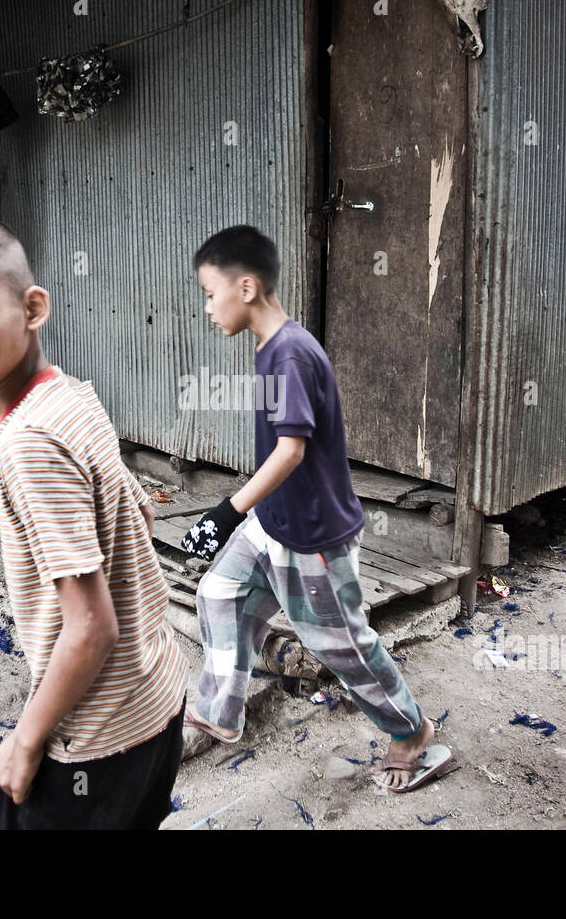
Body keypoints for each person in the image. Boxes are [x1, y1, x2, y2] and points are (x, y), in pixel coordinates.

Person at [0, 217, 188, 829]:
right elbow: (136, 508)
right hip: (158, 696)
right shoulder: (69, 393)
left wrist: (25, 743)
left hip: (98, 734)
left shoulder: (28, 441)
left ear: (33, 308)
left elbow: (91, 629)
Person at [179, 225, 452, 793]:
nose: (206, 308)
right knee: (219, 594)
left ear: (247, 287)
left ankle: (411, 731)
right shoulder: (270, 348)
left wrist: (226, 511)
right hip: (273, 522)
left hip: (312, 536)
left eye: (210, 293)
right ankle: (217, 714)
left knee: (341, 645)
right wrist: (243, 515)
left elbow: (291, 450)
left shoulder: (290, 355)